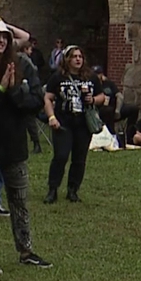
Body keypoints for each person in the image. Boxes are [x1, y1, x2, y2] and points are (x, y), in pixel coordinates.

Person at [0, 19, 52, 274]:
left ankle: (26, 250)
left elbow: (35, 101)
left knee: (19, 200)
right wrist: (1, 88)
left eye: (4, 36)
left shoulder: (23, 65)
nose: (1, 41)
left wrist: (14, 91)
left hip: (14, 145)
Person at [42, 45, 106, 204]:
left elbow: (102, 97)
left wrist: (93, 99)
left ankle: (73, 190)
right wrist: (51, 117)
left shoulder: (91, 77)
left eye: (80, 56)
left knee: (79, 158)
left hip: (83, 124)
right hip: (63, 122)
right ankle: (53, 189)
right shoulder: (58, 77)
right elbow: (48, 98)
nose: (78, 59)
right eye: (74, 56)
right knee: (61, 156)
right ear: (67, 59)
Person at [22, 39, 46, 154]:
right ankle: (35, 143)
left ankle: (36, 144)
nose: (31, 52)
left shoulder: (25, 60)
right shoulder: (24, 60)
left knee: (30, 121)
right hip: (27, 93)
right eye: (30, 49)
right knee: (30, 121)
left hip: (28, 95)